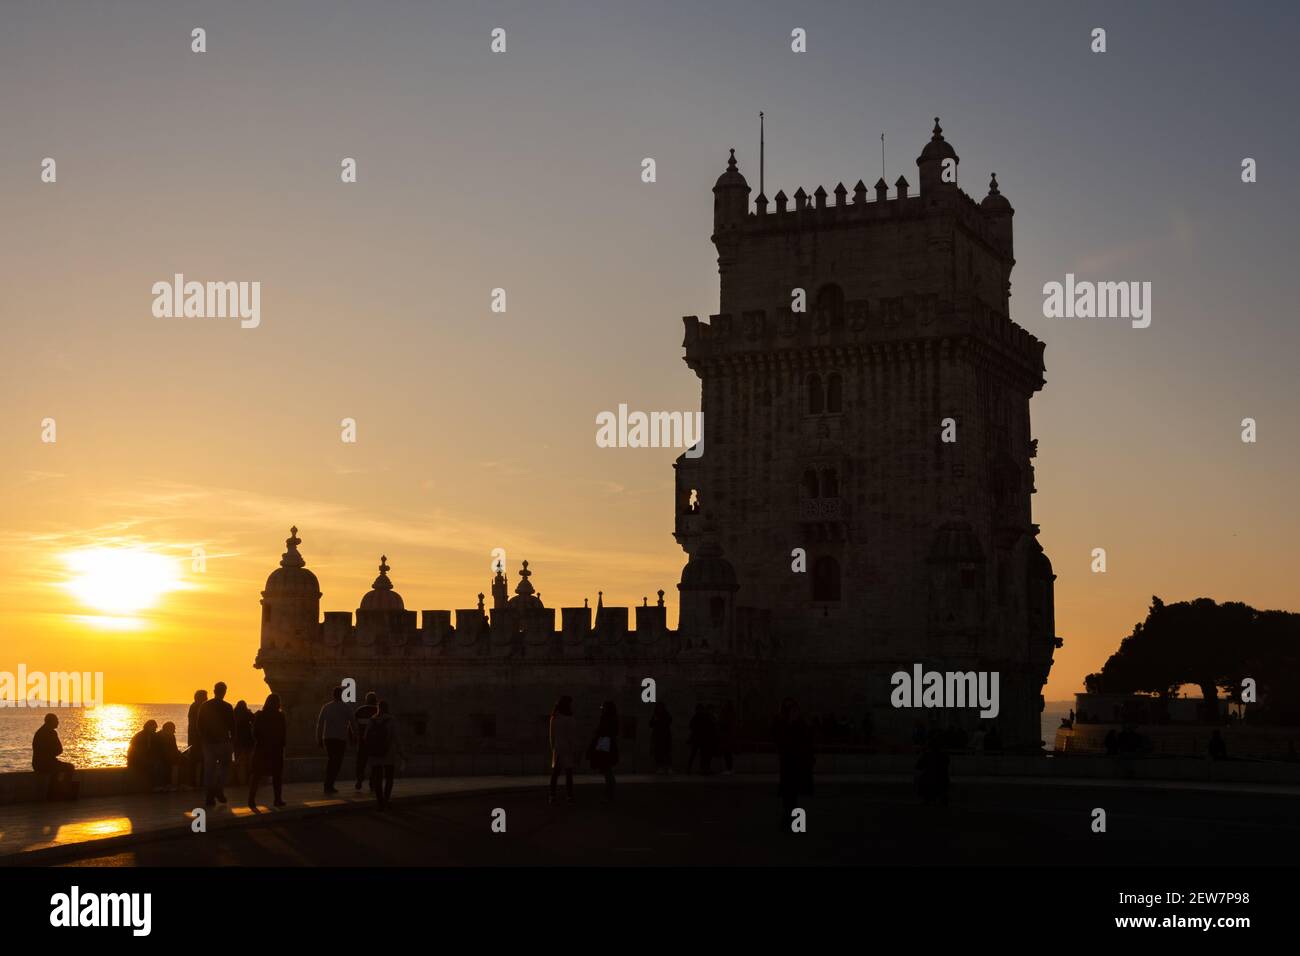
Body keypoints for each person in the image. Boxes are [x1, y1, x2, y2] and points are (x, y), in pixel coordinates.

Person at [774, 698, 814, 827]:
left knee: (791, 795)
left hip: (794, 763)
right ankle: (791, 822)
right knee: (789, 795)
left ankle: (793, 823)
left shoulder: (798, 725)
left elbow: (804, 744)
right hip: (789, 763)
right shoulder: (788, 724)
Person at [198, 681, 236, 807]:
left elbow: (199, 725)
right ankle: (219, 789)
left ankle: (210, 796)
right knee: (225, 767)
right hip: (224, 742)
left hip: (209, 743)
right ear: (224, 692)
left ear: (214, 691)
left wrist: (204, 738)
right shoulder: (228, 707)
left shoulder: (205, 706)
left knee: (209, 769)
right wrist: (233, 741)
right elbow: (232, 726)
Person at [249, 693, 287, 809]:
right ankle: (277, 799)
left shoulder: (260, 715)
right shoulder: (281, 716)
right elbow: (283, 733)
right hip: (276, 750)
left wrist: (260, 741)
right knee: (277, 776)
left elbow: (254, 732)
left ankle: (251, 800)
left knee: (257, 776)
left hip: (261, 749)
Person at [316, 685, 353, 794]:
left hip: (328, 738)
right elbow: (353, 723)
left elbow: (320, 723)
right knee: (336, 762)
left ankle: (328, 784)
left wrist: (319, 738)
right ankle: (329, 784)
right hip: (340, 738)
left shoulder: (326, 707)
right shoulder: (346, 708)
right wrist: (355, 736)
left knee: (332, 760)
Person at [32, 713, 77, 800]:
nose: (58, 722)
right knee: (69, 767)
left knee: (56, 769)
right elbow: (59, 750)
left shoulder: (39, 732)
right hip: (46, 764)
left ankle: (55, 793)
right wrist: (51, 752)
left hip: (37, 764)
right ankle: (63, 792)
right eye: (56, 720)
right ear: (51, 722)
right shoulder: (51, 733)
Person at [365, 701, 401, 810]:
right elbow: (396, 738)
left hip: (375, 754)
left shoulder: (372, 720)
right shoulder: (391, 720)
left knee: (377, 778)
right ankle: (386, 800)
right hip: (388, 754)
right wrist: (402, 753)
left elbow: (366, 736)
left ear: (378, 708)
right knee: (389, 777)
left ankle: (380, 802)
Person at [587, 700, 620, 803]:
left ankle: (609, 794)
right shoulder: (613, 719)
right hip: (608, 746)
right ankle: (609, 793)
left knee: (607, 771)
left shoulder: (607, 719)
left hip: (605, 747)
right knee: (607, 771)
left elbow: (603, 731)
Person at [548, 695, 578, 804]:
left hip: (558, 749)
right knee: (568, 774)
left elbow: (551, 736)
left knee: (555, 774)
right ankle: (569, 795)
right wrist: (575, 750)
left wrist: (554, 749)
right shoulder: (570, 719)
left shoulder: (554, 718)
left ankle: (552, 795)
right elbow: (573, 737)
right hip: (568, 749)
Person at [915, 730, 950, 806]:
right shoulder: (944, 755)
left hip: (930, 779)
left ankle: (927, 798)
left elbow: (918, 766)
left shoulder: (927, 755)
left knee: (920, 778)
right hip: (942, 779)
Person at [353, 691, 380, 792]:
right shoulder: (378, 711)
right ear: (375, 700)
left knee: (361, 762)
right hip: (375, 742)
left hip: (362, 742)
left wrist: (354, 737)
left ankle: (359, 779)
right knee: (374, 763)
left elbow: (353, 725)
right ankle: (372, 783)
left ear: (366, 700)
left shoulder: (360, 710)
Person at [185, 689, 208, 789]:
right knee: (200, 761)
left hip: (195, 739)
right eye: (205, 697)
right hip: (198, 739)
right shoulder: (198, 707)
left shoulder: (194, 707)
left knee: (197, 761)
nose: (207, 698)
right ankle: (197, 783)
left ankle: (195, 782)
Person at [126, 719, 159, 790]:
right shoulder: (142, 736)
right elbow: (140, 752)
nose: (155, 730)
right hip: (136, 760)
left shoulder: (148, 735)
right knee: (153, 766)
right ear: (149, 727)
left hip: (139, 758)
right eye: (154, 728)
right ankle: (153, 786)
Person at [153, 721, 183, 791]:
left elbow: (174, 748)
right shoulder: (158, 736)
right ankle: (168, 784)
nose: (173, 732)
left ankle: (178, 784)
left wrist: (178, 754)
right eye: (172, 730)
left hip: (169, 756)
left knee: (183, 760)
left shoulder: (171, 736)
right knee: (167, 764)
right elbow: (158, 751)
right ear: (167, 730)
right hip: (161, 757)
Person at [232, 701, 255, 787]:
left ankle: (237, 779)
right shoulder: (247, 714)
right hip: (248, 741)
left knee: (238, 760)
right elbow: (254, 719)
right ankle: (248, 779)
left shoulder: (234, 714)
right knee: (249, 761)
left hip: (237, 741)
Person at [650, 701, 673, 774]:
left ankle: (668, 767)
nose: (660, 709)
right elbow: (650, 724)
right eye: (659, 708)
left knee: (666, 753)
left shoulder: (666, 715)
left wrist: (658, 721)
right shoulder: (655, 715)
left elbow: (669, 721)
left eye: (661, 708)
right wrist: (655, 720)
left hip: (665, 736)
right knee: (658, 753)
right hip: (658, 737)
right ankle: (660, 767)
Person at [718, 701, 737, 775]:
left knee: (727, 753)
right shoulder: (731, 715)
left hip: (726, 737)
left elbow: (724, 725)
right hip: (728, 737)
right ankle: (729, 768)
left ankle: (729, 769)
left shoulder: (727, 715)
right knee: (728, 754)